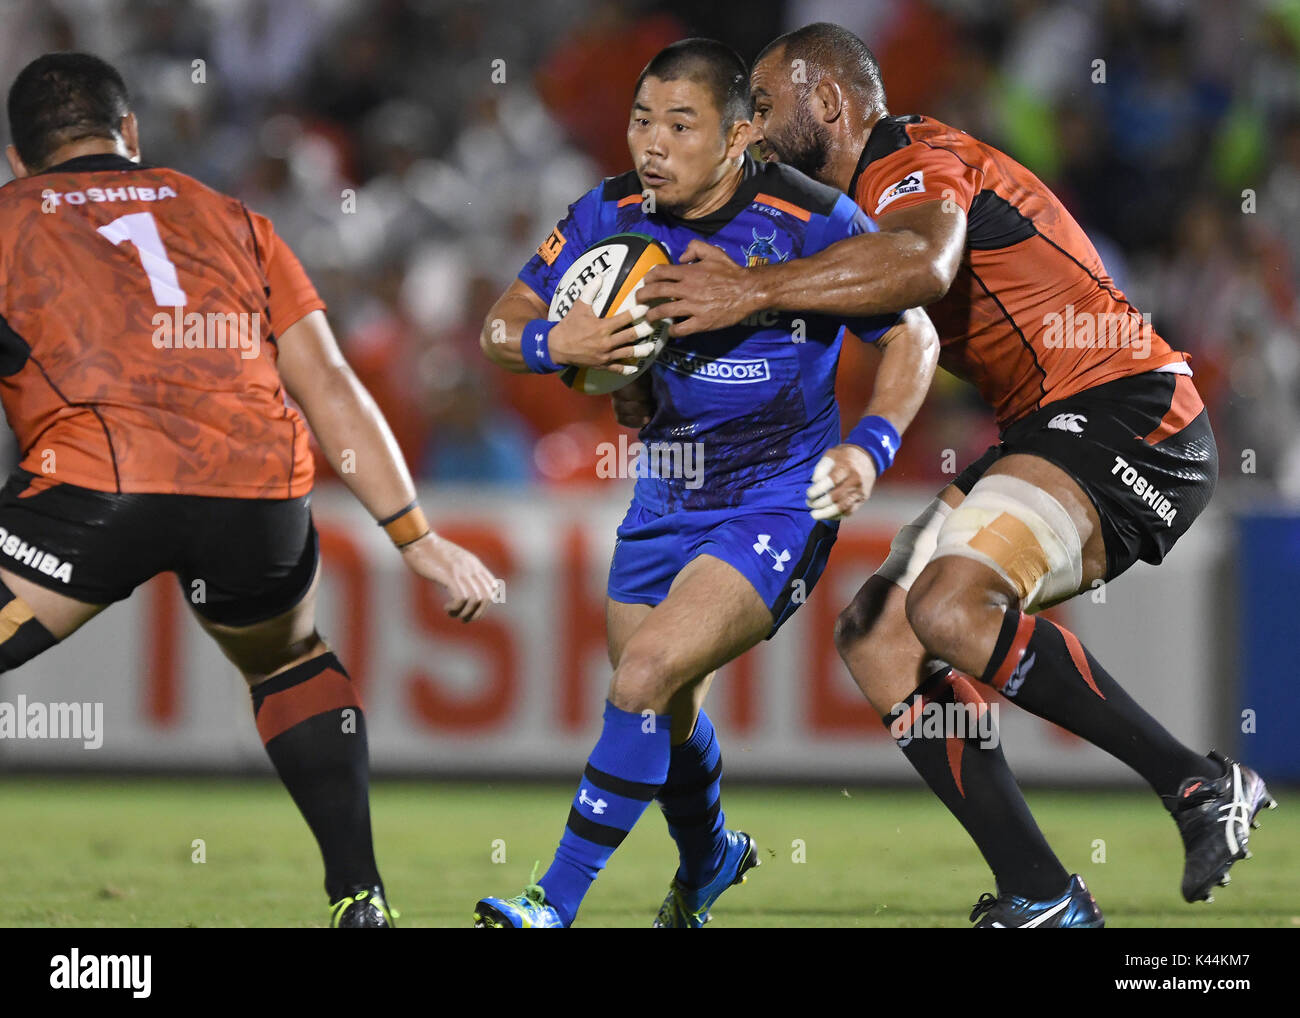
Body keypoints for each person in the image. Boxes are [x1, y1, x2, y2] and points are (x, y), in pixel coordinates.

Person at [638, 22, 1276, 928]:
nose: (752, 126)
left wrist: (748, 290)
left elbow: (923, 264)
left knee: (948, 605)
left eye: (767, 106)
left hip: (1133, 411)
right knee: (881, 637)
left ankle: (1201, 785)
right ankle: (1043, 895)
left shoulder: (909, 156)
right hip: (1056, 424)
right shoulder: (851, 217)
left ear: (828, 102)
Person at [0, 52, 499, 927]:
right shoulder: (231, 216)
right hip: (257, 487)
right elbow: (330, 383)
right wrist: (415, 536)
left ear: (16, 158)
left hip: (97, 486)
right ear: (134, 136)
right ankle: (360, 894)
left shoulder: (8, 217)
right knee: (287, 661)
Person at [475, 37, 937, 928]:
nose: (652, 143)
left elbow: (913, 337)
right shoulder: (607, 212)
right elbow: (502, 324)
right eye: (643, 119)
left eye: (680, 125)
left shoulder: (813, 219)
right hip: (664, 495)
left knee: (643, 674)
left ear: (736, 139)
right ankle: (710, 861)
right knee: (666, 712)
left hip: (779, 496)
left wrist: (871, 449)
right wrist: (552, 344)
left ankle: (551, 904)